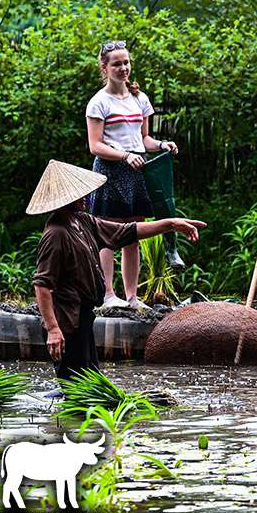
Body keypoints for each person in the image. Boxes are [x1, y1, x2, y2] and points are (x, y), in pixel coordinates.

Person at [29, 160, 205, 384]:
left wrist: (169, 224)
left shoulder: (83, 222)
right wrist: (53, 330)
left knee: (91, 387)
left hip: (82, 318)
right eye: (81, 193)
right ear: (67, 199)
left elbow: (127, 231)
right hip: (67, 323)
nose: (87, 197)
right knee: (76, 392)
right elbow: (42, 284)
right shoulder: (56, 234)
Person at [87, 40, 180, 311]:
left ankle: (131, 298)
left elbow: (144, 139)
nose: (123, 68)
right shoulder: (98, 102)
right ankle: (107, 296)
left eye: (126, 62)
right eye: (116, 64)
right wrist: (125, 155)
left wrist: (162, 145)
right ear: (105, 68)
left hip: (138, 173)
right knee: (108, 235)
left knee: (133, 236)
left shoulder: (140, 98)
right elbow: (95, 145)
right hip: (110, 172)